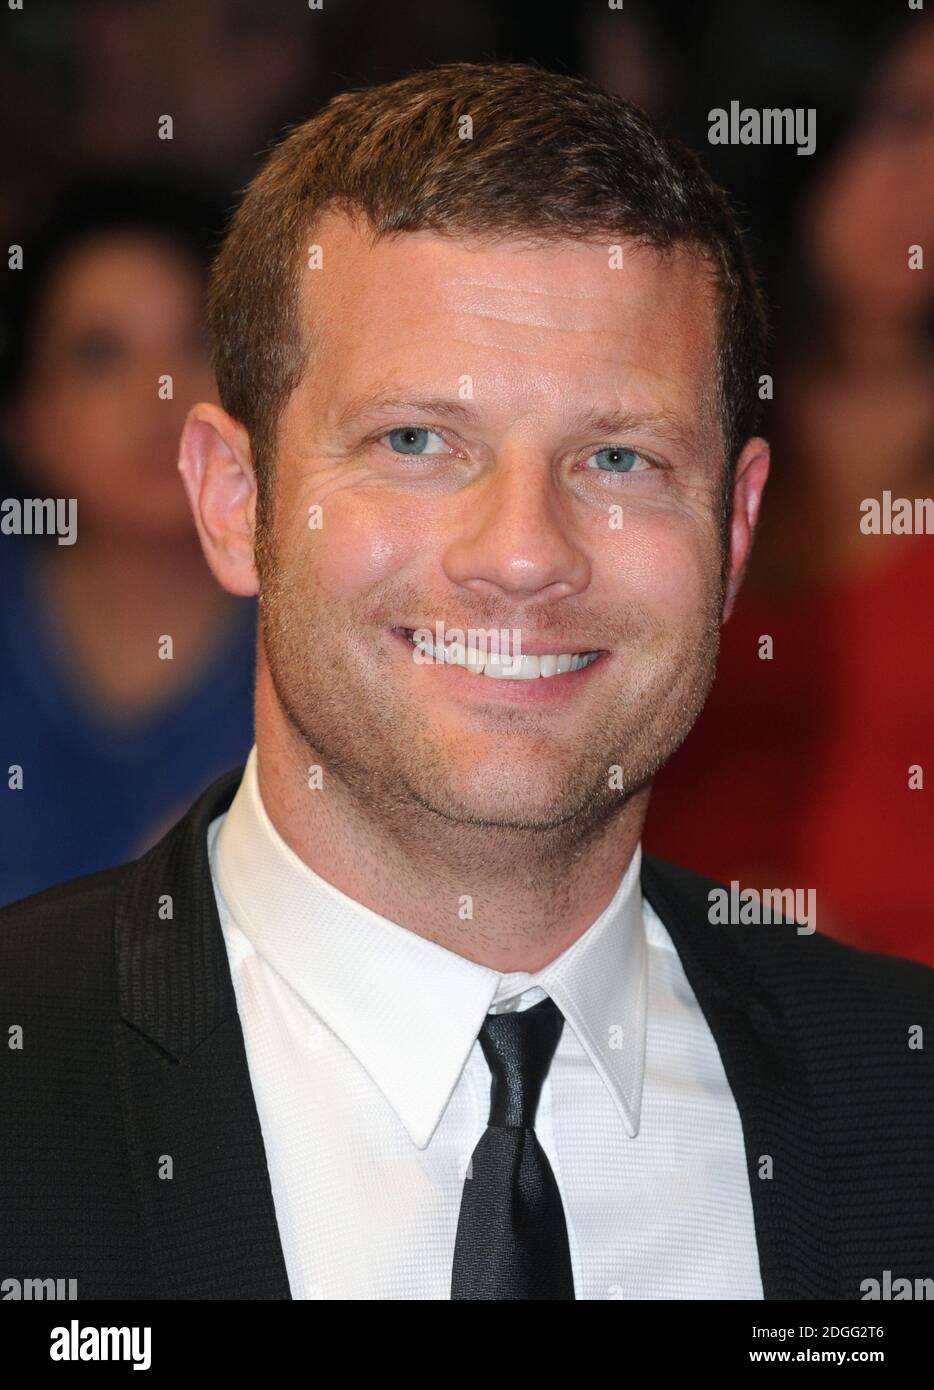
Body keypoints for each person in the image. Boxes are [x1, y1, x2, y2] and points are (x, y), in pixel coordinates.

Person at [1, 62, 932, 1302]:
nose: (523, 554)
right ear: (234, 500)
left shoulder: (903, 1101)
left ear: (736, 528)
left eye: (618, 455)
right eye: (416, 441)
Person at [0, 177, 257, 905]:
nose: (162, 389)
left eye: (195, 340)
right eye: (99, 355)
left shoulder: (324, 643)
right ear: (27, 421)